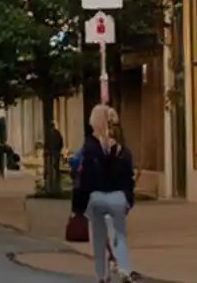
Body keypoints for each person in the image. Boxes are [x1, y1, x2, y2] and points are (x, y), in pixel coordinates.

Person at [72, 104, 139, 283]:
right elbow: (128, 175)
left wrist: (78, 206)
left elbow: (83, 176)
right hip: (118, 197)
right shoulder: (121, 148)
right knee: (119, 234)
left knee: (99, 238)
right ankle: (124, 268)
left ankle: (102, 275)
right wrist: (128, 198)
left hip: (98, 197)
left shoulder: (91, 146)